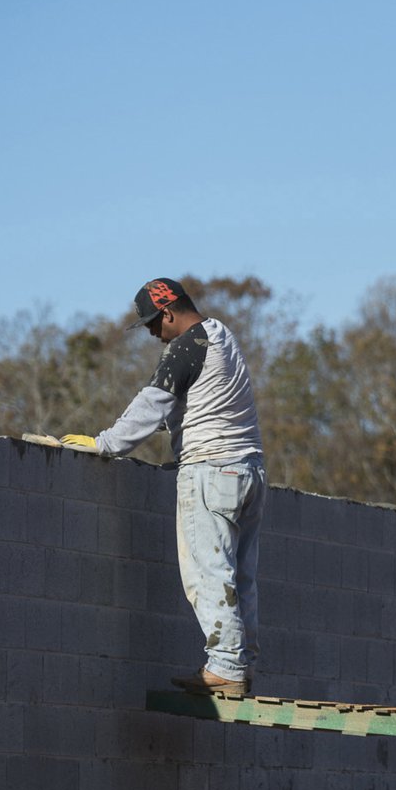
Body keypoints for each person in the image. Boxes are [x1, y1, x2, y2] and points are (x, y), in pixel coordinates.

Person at [83, 278, 266, 697]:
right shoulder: (221, 336)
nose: (152, 333)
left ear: (168, 313)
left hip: (211, 472)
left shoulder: (187, 346)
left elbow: (153, 403)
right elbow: (198, 405)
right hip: (249, 470)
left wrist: (104, 443)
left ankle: (226, 667)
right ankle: (242, 663)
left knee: (207, 572)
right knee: (241, 577)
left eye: (152, 324)